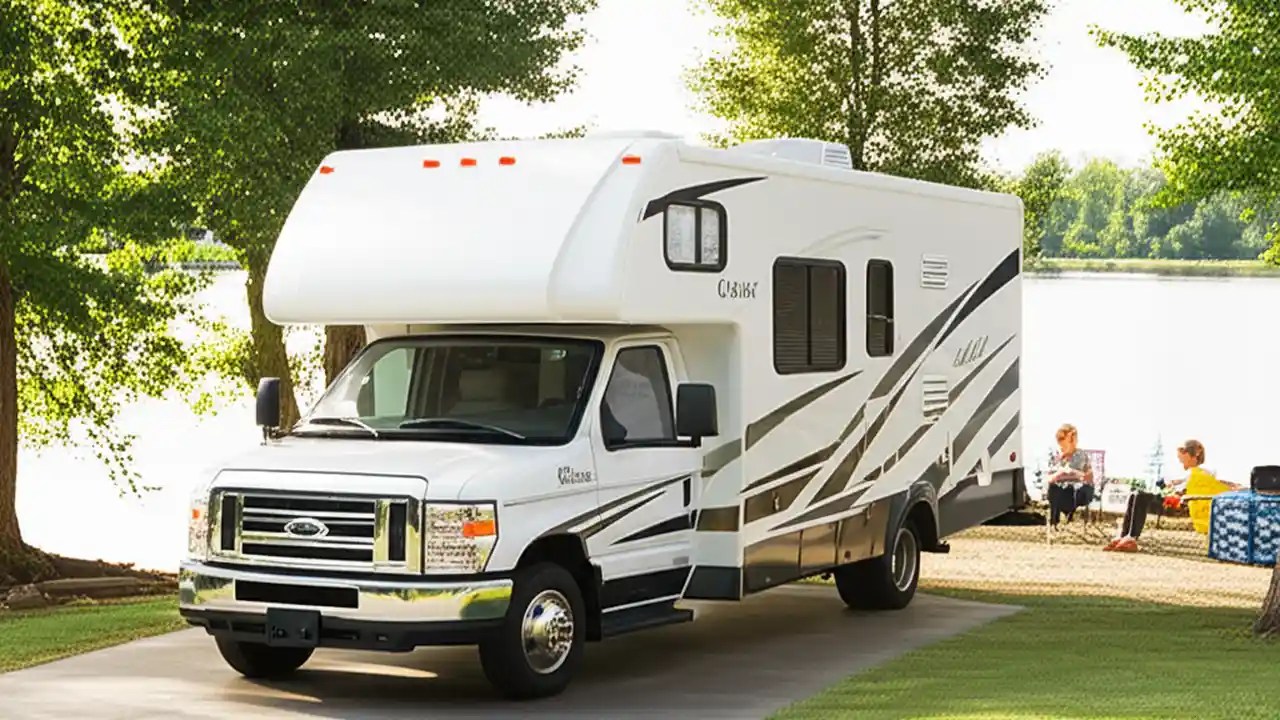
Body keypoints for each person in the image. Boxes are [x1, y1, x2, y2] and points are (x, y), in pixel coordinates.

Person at [1104, 438, 1240, 552]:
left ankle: (1131, 538)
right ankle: (1124, 536)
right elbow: (1171, 485)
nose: (1180, 461)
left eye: (1182, 457)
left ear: (1191, 455)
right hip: (1173, 499)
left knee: (1141, 496)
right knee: (1136, 495)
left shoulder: (1204, 471)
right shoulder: (1186, 472)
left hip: (1182, 504)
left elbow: (1211, 485)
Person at [1046, 423, 1095, 527]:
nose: (1072, 442)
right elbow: (1049, 477)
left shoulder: (1080, 455)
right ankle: (1054, 522)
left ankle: (1067, 516)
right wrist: (1062, 474)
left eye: (1073, 439)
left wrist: (1065, 474)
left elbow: (1086, 477)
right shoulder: (1055, 457)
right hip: (1061, 489)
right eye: (1066, 439)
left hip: (1079, 490)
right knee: (1054, 489)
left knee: (1069, 488)